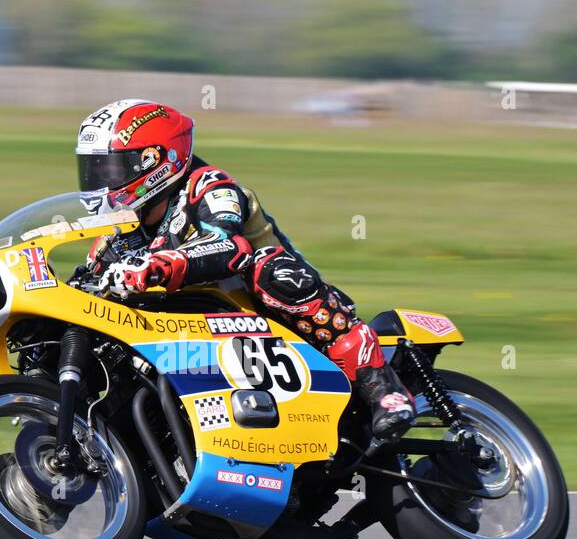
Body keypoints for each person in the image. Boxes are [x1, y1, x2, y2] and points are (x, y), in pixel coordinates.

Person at [76, 98, 415, 440]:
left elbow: (228, 247)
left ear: (158, 161)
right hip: (202, 331)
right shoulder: (120, 229)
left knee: (270, 269)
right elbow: (90, 279)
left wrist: (160, 265)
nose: (100, 181)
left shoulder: (208, 185)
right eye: (94, 169)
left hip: (267, 311)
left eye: (111, 169)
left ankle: (383, 389)